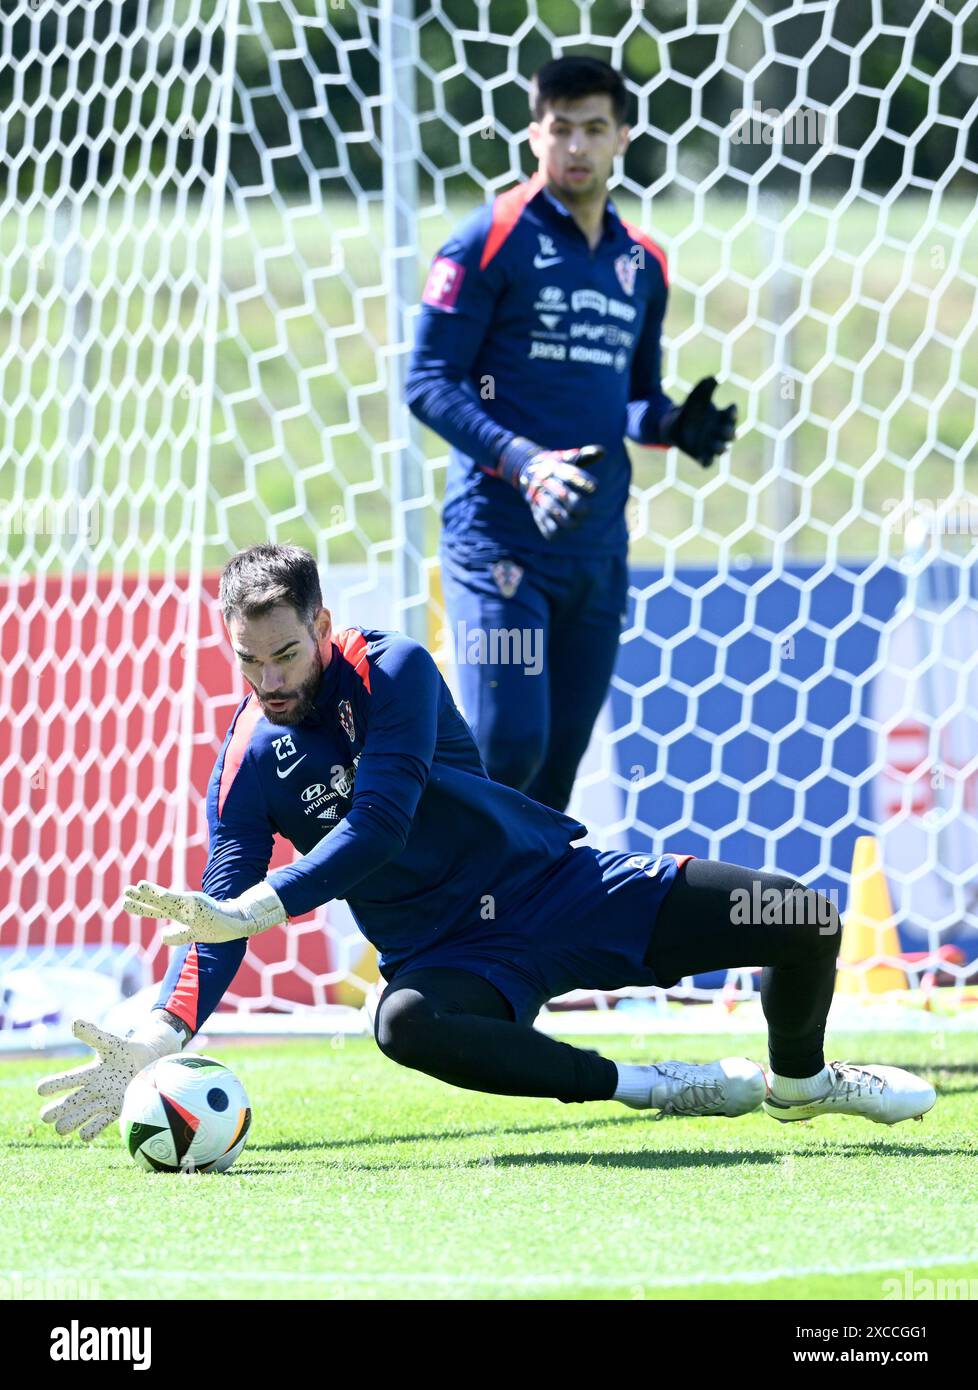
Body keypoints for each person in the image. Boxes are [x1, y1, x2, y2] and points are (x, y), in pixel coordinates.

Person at [37, 545, 934, 1138]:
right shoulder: (246, 762)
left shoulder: (391, 670)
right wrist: (164, 1027)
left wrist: (255, 909)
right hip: (451, 956)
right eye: (248, 662)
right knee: (402, 1021)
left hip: (560, 887)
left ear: (320, 624)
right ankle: (655, 1083)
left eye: (285, 654)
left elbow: (377, 826)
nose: (269, 680)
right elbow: (219, 902)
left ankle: (803, 1084)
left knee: (803, 916)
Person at [406, 55, 737, 811]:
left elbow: (631, 401)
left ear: (624, 135)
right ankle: (431, 920)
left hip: (596, 548)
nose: (577, 147)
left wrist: (676, 425)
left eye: (594, 129)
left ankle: (522, 931)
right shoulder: (488, 239)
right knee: (507, 745)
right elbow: (427, 383)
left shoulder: (641, 262)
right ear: (534, 135)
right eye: (562, 130)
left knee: (555, 773)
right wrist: (524, 463)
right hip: (498, 541)